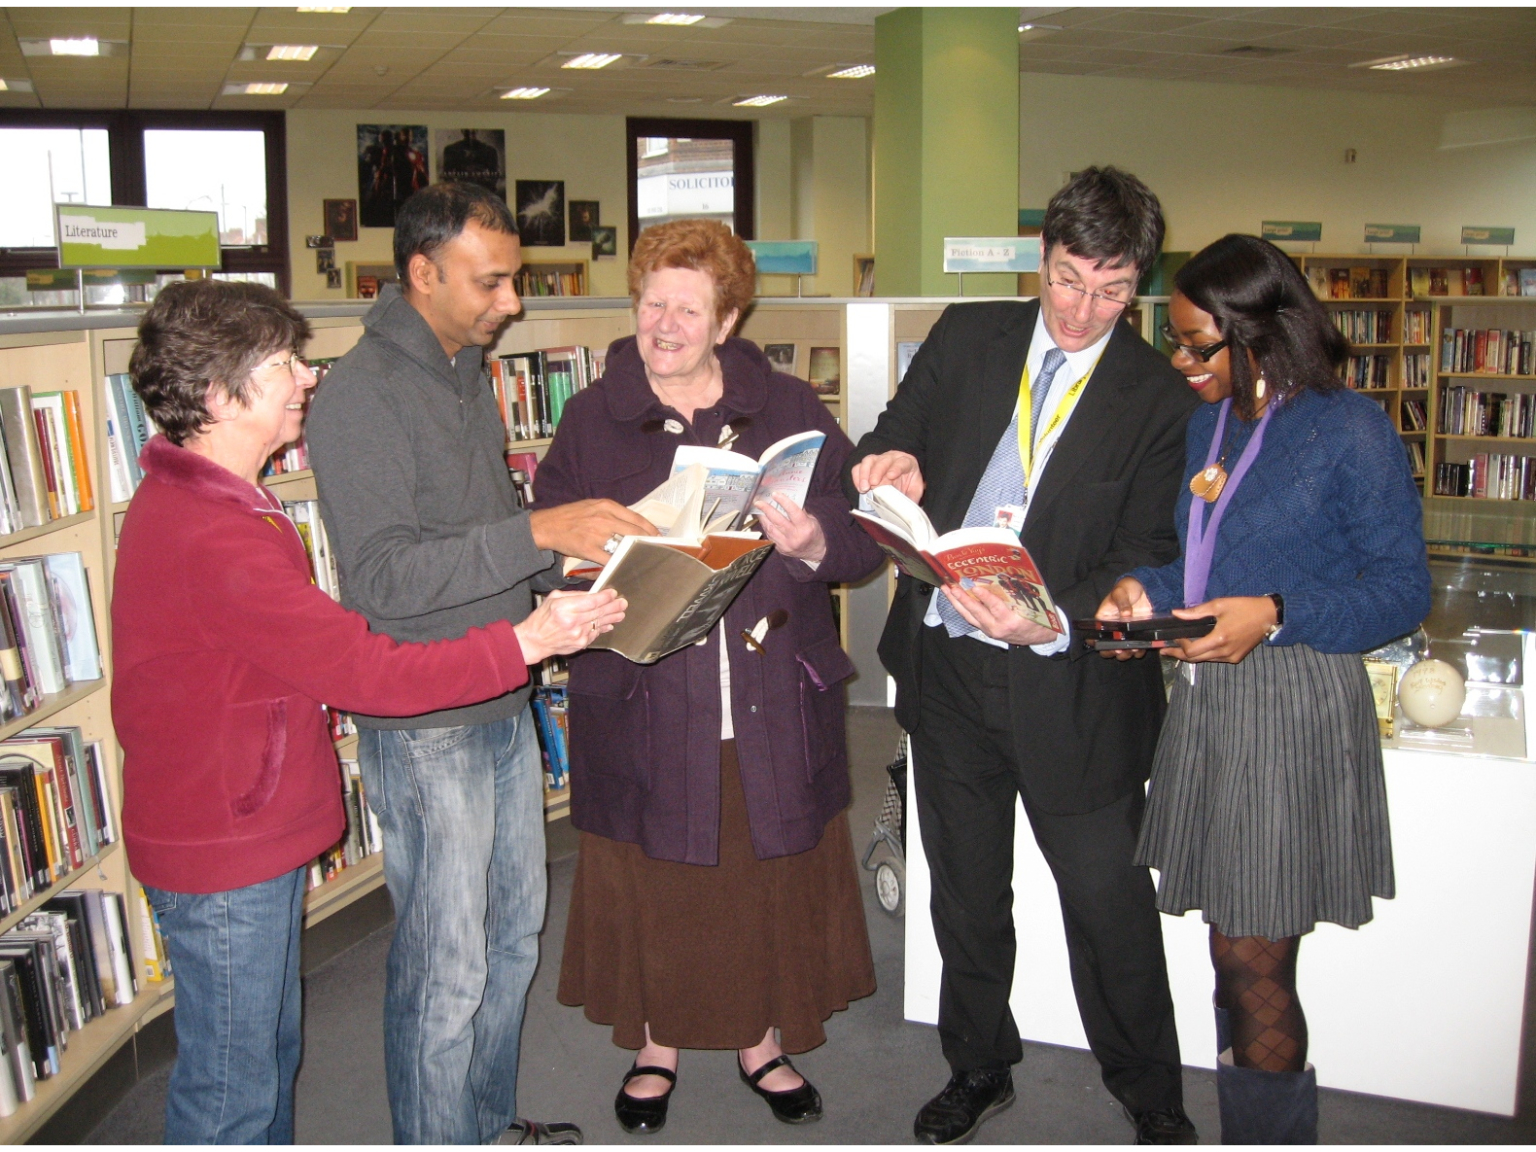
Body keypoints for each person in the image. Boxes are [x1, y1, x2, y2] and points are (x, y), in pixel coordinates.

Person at [113, 279, 625, 1144]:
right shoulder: (214, 532)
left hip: (237, 830)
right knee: (231, 1091)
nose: (306, 379)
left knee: (260, 1057)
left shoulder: (218, 502)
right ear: (219, 396)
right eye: (283, 365)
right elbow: (360, 668)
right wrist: (525, 644)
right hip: (221, 845)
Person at [844, 167, 1202, 1146]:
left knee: (1110, 909)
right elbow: (891, 437)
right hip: (951, 673)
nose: (1085, 310)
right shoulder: (970, 335)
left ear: (1141, 285)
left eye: (1114, 289)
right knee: (964, 893)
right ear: (1042, 257)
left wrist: (1049, 618)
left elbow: (1152, 555)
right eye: (1069, 279)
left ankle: (1152, 1099)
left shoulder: (1159, 400)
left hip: (1074, 683)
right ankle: (978, 1065)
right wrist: (890, 464)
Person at [305, 183, 653, 1145]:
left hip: (501, 692)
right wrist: (536, 529)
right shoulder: (363, 396)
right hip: (425, 727)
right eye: (490, 282)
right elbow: (383, 581)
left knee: (509, 944)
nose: (513, 302)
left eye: (514, 279)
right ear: (422, 274)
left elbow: (480, 537)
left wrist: (566, 563)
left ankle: (487, 1128)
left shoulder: (463, 372)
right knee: (444, 964)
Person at [537, 218, 885, 1135]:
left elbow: (855, 537)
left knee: (762, 862)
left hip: (766, 690)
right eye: (653, 301)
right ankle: (655, 1045)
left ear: (727, 318)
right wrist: (605, 558)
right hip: (649, 686)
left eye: (688, 308)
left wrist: (813, 540)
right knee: (656, 868)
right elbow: (550, 545)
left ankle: (762, 1040)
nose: (664, 323)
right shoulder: (589, 416)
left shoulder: (791, 408)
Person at [1096, 234, 1431, 1143]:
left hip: (1291, 710)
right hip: (1208, 706)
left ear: (1260, 334)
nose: (1180, 360)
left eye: (1200, 343)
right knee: (1228, 948)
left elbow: (1402, 591)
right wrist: (1145, 598)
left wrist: (1275, 612)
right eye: (1174, 337)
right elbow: (1192, 561)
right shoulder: (1210, 426)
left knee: (1254, 964)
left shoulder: (1348, 428)